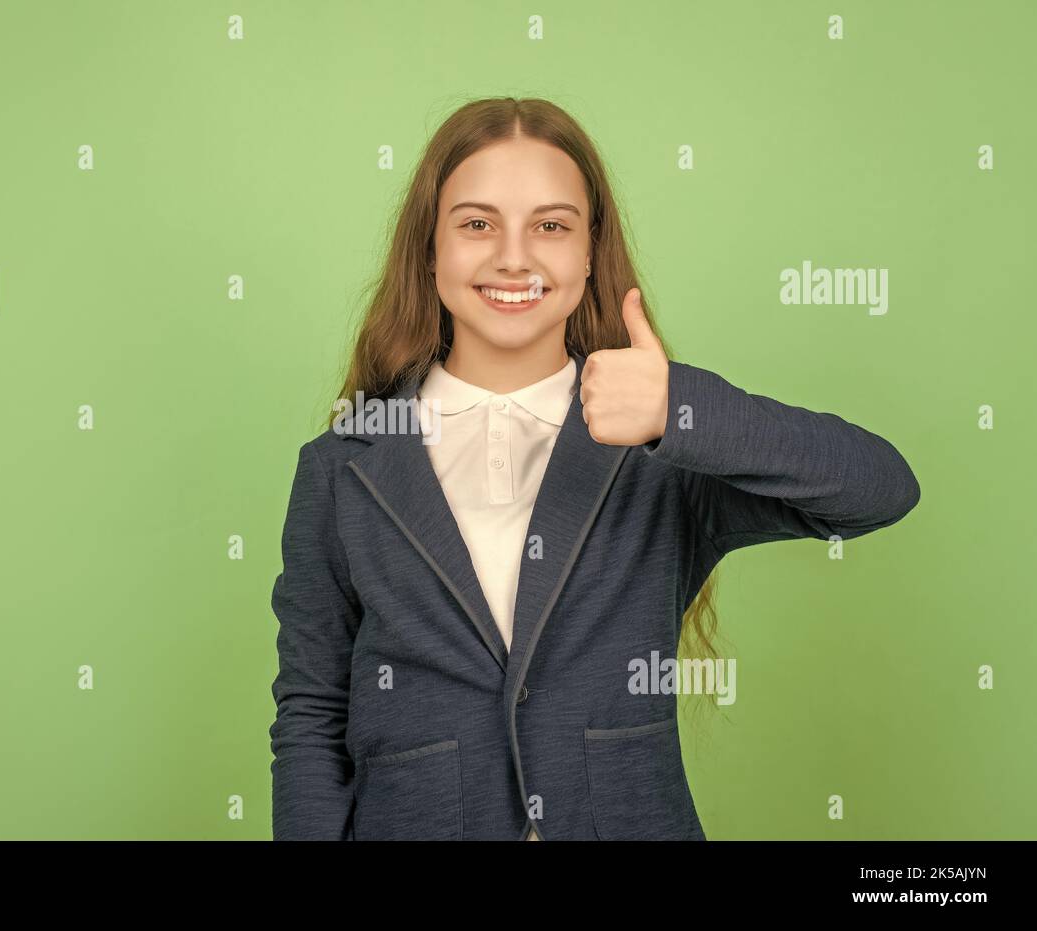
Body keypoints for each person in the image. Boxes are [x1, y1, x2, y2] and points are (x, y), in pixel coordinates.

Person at [268, 96, 919, 841]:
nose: (514, 257)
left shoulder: (663, 449)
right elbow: (312, 713)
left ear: (588, 252)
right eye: (477, 223)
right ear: (430, 248)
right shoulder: (341, 468)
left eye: (551, 225)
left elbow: (879, 488)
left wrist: (679, 408)